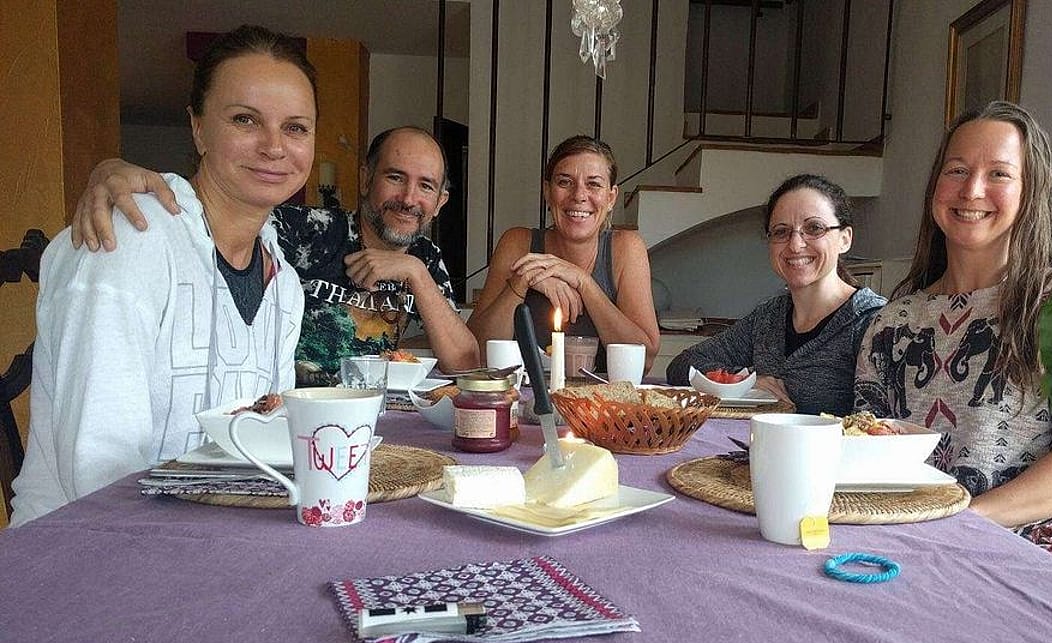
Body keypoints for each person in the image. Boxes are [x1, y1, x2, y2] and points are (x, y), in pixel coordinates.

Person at [10, 25, 313, 525]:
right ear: (198, 128)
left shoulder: (282, 284)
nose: (274, 146)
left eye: (296, 128)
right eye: (245, 119)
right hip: (82, 548)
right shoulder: (130, 238)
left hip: (220, 535)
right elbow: (97, 466)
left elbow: (265, 440)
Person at [853, 101, 1052, 594]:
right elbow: (870, 449)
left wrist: (964, 522)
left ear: (1030, 192)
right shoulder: (891, 323)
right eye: (957, 170)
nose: (972, 190)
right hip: (932, 544)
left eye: (999, 173)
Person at [71, 126, 480, 384]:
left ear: (440, 202)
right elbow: (210, 214)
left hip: (378, 426)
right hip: (285, 421)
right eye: (395, 177)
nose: (408, 198)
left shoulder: (425, 258)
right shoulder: (305, 229)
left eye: (426, 186)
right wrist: (111, 168)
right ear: (365, 179)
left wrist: (414, 273)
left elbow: (465, 363)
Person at [665, 174, 885, 414]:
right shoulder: (768, 318)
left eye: (814, 228)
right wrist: (743, 382)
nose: (795, 244)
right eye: (781, 231)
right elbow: (682, 366)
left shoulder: (874, 322)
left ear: (845, 239)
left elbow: (881, 426)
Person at [466, 135, 659, 372]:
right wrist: (522, 281)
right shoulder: (518, 243)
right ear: (547, 192)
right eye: (565, 182)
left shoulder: (626, 247)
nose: (579, 195)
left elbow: (645, 359)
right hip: (524, 392)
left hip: (602, 396)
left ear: (611, 198)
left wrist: (583, 282)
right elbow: (476, 353)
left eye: (594, 184)